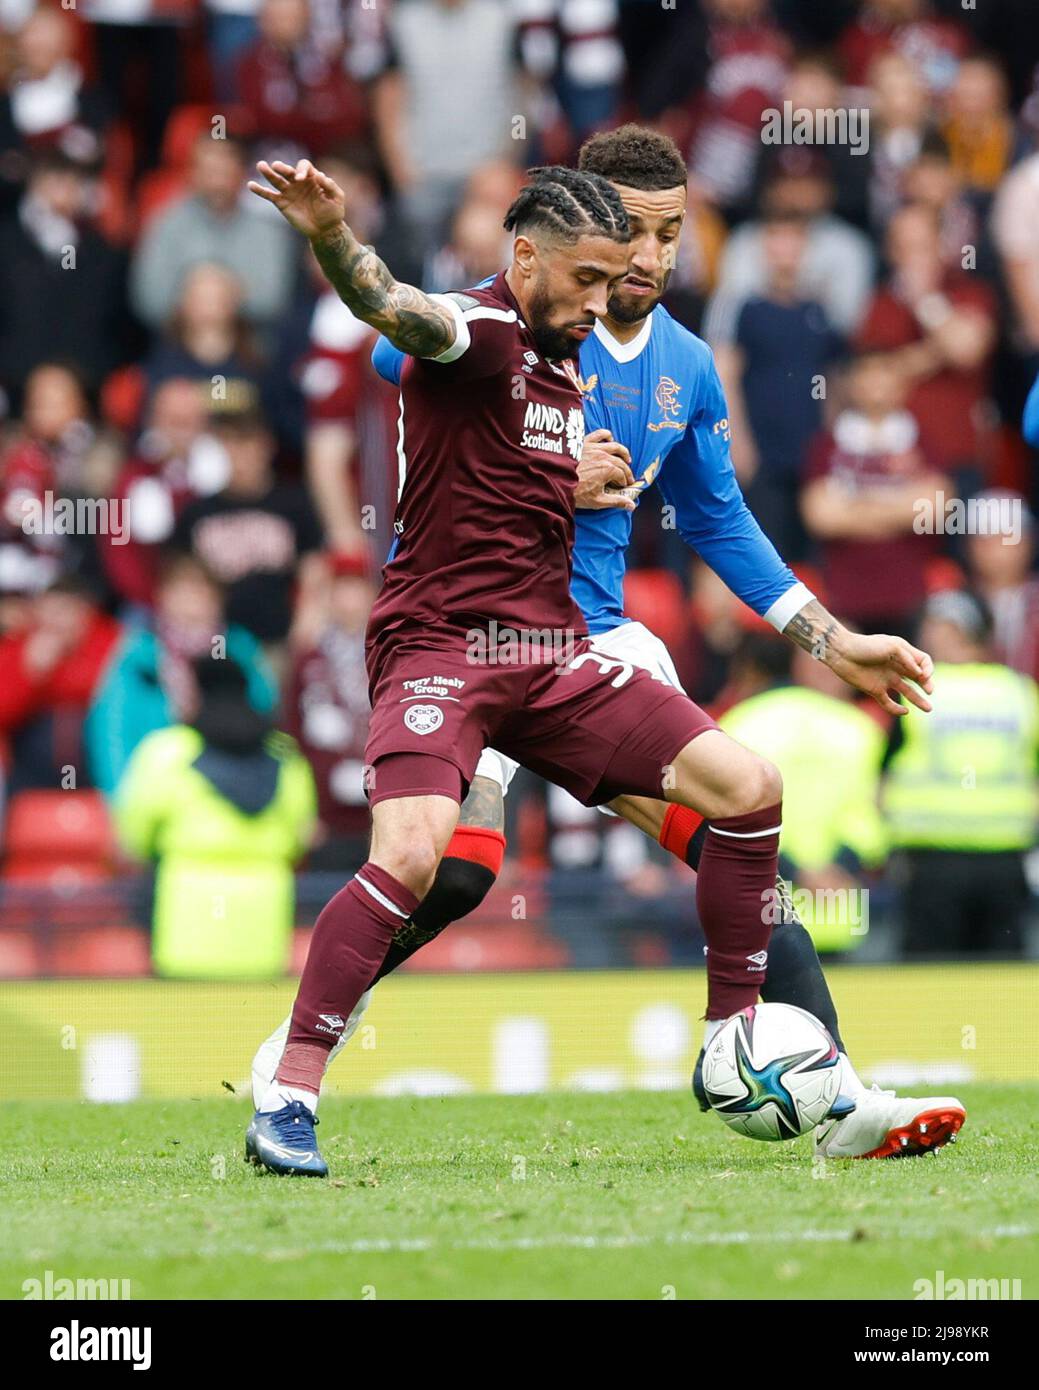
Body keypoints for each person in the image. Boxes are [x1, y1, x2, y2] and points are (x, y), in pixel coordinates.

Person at [245, 140, 944, 1176]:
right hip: (458, 637)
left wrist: (834, 641)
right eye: (630, 234)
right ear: (558, 236)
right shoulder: (502, 330)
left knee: (737, 830)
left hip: (582, 640)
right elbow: (404, 340)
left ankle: (818, 1080)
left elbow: (721, 520)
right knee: (453, 865)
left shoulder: (680, 367)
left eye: (669, 233)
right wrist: (534, 464)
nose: (646, 260)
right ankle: (300, 1054)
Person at [113, 653, 316, 979]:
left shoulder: (167, 751)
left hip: (185, 907)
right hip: (265, 907)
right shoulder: (285, 754)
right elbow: (300, 833)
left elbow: (135, 834)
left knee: (187, 1024)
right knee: (253, 1024)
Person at [881, 590, 1039, 957]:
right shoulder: (1020, 693)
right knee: (1003, 988)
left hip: (932, 857)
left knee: (927, 982)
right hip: (1005, 857)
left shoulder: (914, 693)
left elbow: (881, 776)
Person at [86, 553, 277, 796]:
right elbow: (111, 735)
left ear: (218, 601)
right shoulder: (138, 656)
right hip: (155, 795)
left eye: (200, 593)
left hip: (232, 794)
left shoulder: (239, 652)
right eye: (180, 592)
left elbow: (266, 718)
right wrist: (122, 800)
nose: (190, 604)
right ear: (162, 598)